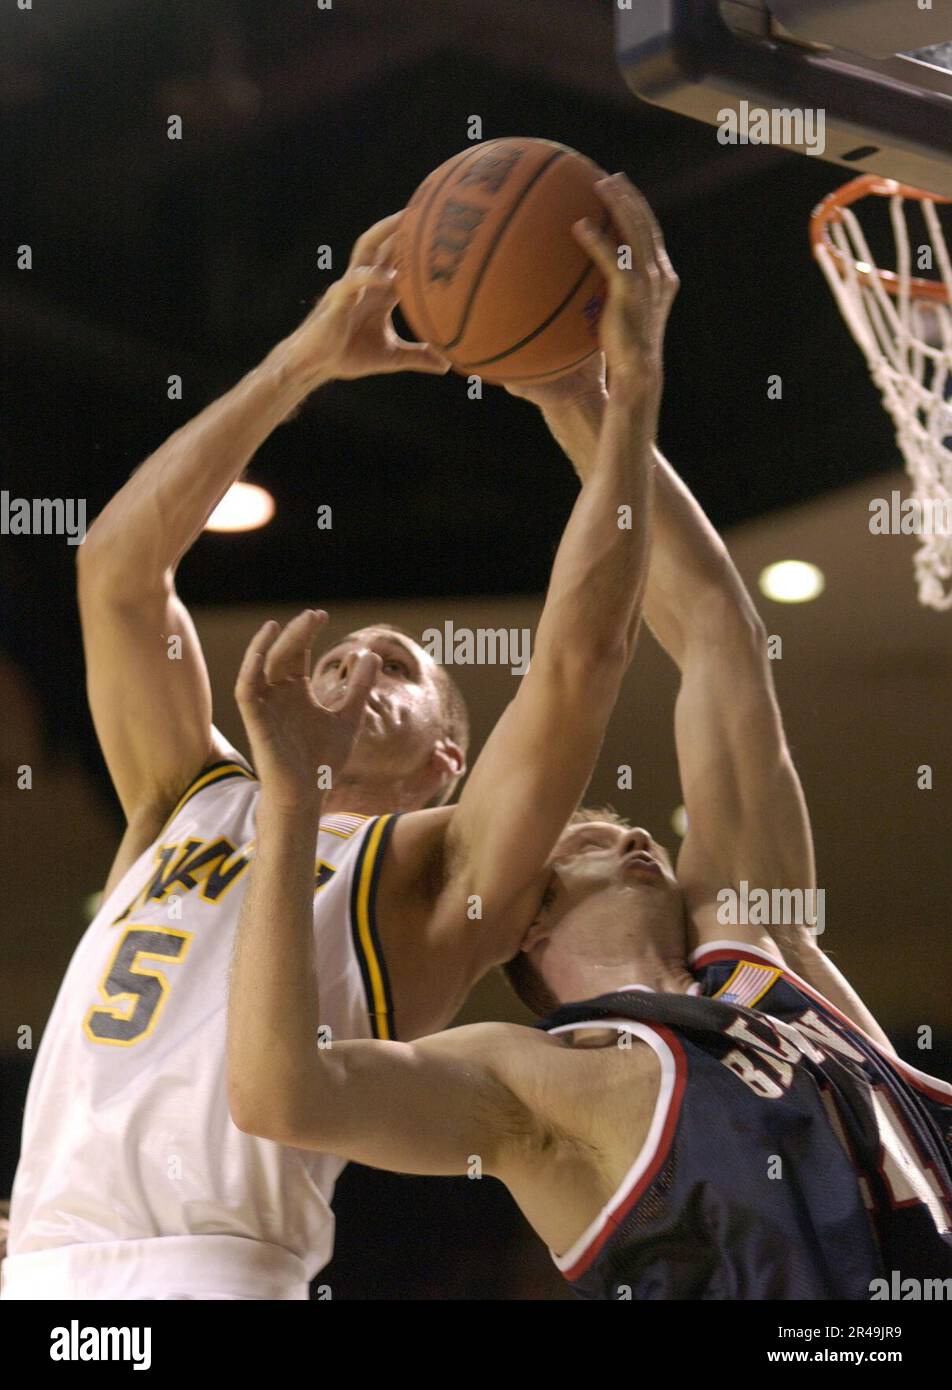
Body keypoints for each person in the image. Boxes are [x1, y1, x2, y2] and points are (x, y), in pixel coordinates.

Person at [227, 236, 952, 1305]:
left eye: (624, 822)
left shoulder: (763, 947)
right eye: (588, 831)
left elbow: (716, 633)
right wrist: (290, 810)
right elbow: (285, 1093)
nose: (634, 829)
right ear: (518, 914)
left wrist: (591, 396)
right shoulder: (532, 1080)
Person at [2, 174, 674, 1300]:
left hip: (204, 1276)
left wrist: (627, 397)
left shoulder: (431, 874)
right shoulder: (190, 795)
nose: (360, 663)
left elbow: (577, 660)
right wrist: (299, 365)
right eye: (340, 655)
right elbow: (116, 571)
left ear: (444, 764)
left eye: (404, 667)